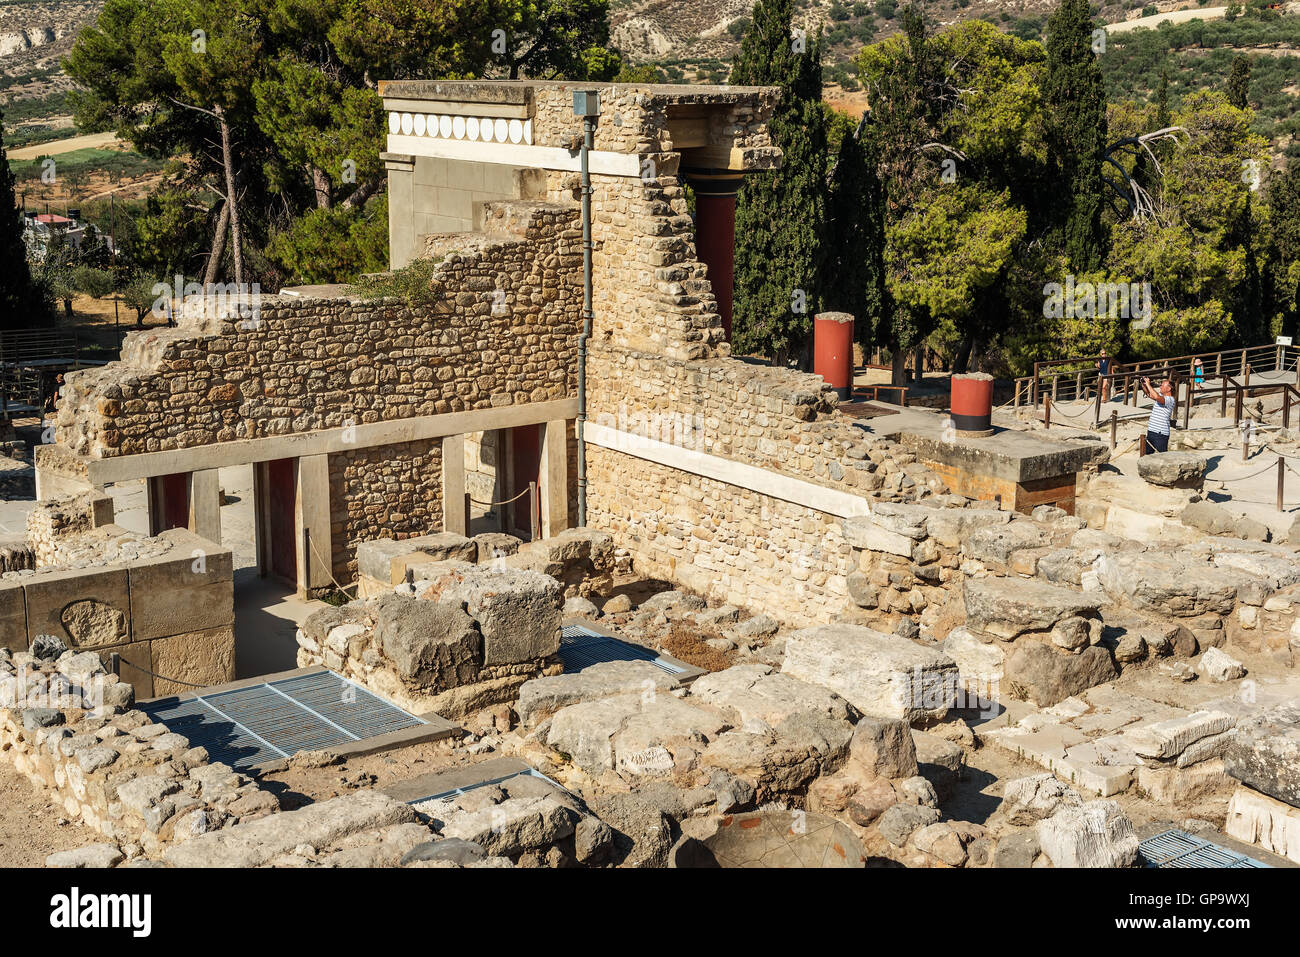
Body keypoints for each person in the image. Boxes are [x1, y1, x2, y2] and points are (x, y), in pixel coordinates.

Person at [1141, 376, 1176, 454]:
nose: (1160, 386)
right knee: (1147, 456)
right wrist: (1144, 385)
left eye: (1162, 385)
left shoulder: (1170, 400)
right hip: (1151, 431)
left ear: (1169, 388)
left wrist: (1148, 384)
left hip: (1161, 434)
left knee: (1163, 458)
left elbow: (1156, 397)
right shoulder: (1161, 396)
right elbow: (1149, 394)